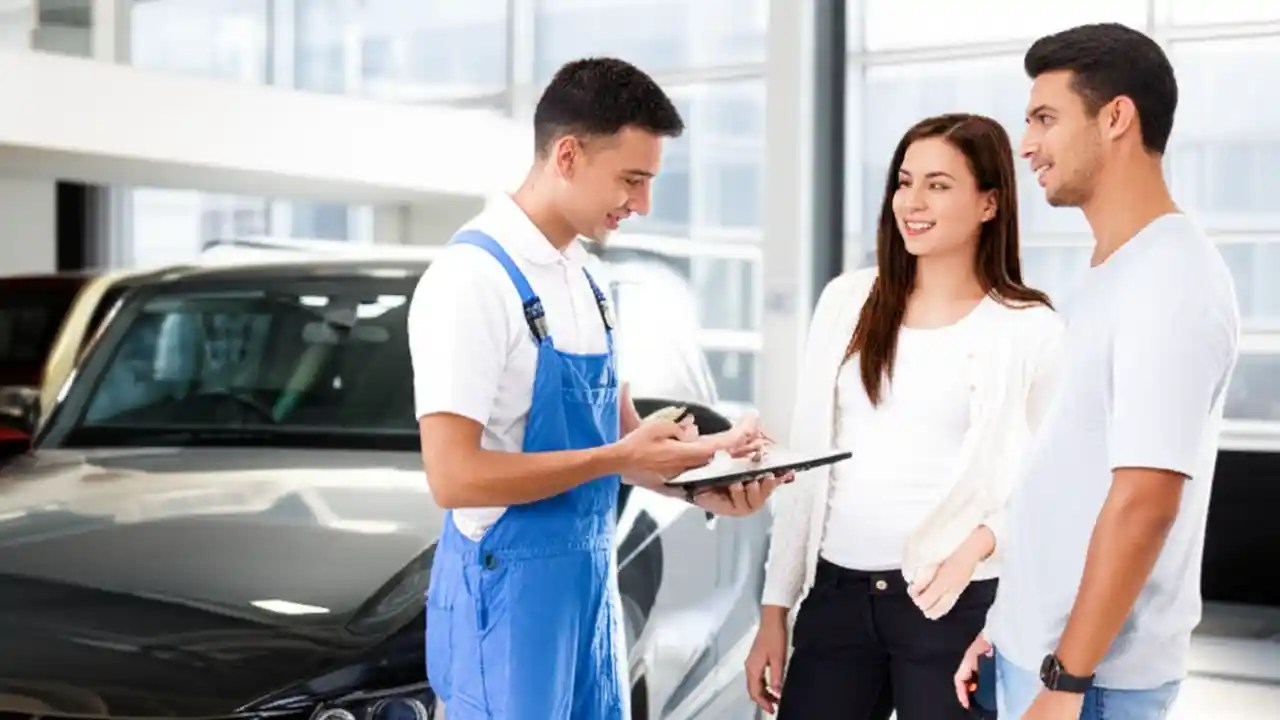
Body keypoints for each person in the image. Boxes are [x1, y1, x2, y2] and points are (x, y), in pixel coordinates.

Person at [408, 57, 786, 720]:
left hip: (586, 594)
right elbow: (454, 476)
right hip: (508, 604)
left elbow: (619, 439)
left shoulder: (585, 278)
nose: (641, 204)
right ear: (567, 155)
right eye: (632, 179)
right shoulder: (471, 281)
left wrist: (708, 475)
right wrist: (620, 459)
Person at [953, 23, 1240, 720]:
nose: (1026, 146)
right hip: (1046, 653)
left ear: (1116, 117)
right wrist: (1008, 625)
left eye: (1045, 119)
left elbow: (1145, 503)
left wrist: (1067, 681)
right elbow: (1069, 475)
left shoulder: (1171, 280)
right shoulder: (1117, 267)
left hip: (1093, 682)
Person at [744, 112, 1064, 719]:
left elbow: (1057, 487)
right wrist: (774, 609)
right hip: (834, 598)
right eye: (904, 181)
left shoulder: (1029, 328)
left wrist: (982, 543)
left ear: (989, 203)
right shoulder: (847, 301)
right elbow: (810, 471)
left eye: (939, 185)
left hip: (953, 607)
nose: (912, 202)